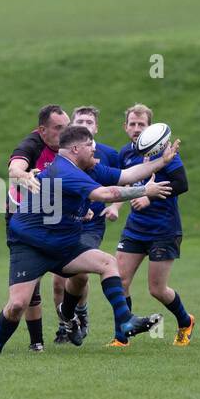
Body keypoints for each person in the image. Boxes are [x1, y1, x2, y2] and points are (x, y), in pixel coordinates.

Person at [0, 125, 180, 354]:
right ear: (76, 149)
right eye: (90, 146)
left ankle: (125, 321)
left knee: (105, 263)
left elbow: (127, 175)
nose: (94, 151)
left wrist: (163, 162)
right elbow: (104, 194)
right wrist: (145, 191)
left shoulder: (90, 168)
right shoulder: (63, 170)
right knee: (17, 304)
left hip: (65, 244)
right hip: (30, 245)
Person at [113, 104, 195, 348]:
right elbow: (123, 184)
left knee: (157, 290)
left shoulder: (165, 152)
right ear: (125, 127)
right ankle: (121, 337)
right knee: (120, 281)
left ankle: (185, 321)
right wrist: (115, 205)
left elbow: (182, 184)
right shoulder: (125, 153)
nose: (136, 129)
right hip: (135, 228)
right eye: (132, 124)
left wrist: (149, 196)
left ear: (151, 127)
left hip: (163, 229)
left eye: (141, 124)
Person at [51, 105, 122, 344]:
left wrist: (114, 207)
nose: (84, 125)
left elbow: (120, 183)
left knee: (79, 272)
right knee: (59, 281)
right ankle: (66, 325)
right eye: (79, 121)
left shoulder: (107, 154)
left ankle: (79, 316)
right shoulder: (63, 156)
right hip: (65, 223)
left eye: (89, 122)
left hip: (92, 225)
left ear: (96, 128)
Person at [6, 105, 69, 351]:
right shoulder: (30, 145)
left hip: (56, 217)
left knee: (76, 273)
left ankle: (72, 321)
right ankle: (36, 342)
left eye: (68, 126)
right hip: (23, 218)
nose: (65, 133)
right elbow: (14, 168)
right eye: (58, 128)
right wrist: (24, 176)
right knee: (30, 286)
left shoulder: (70, 144)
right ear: (42, 130)